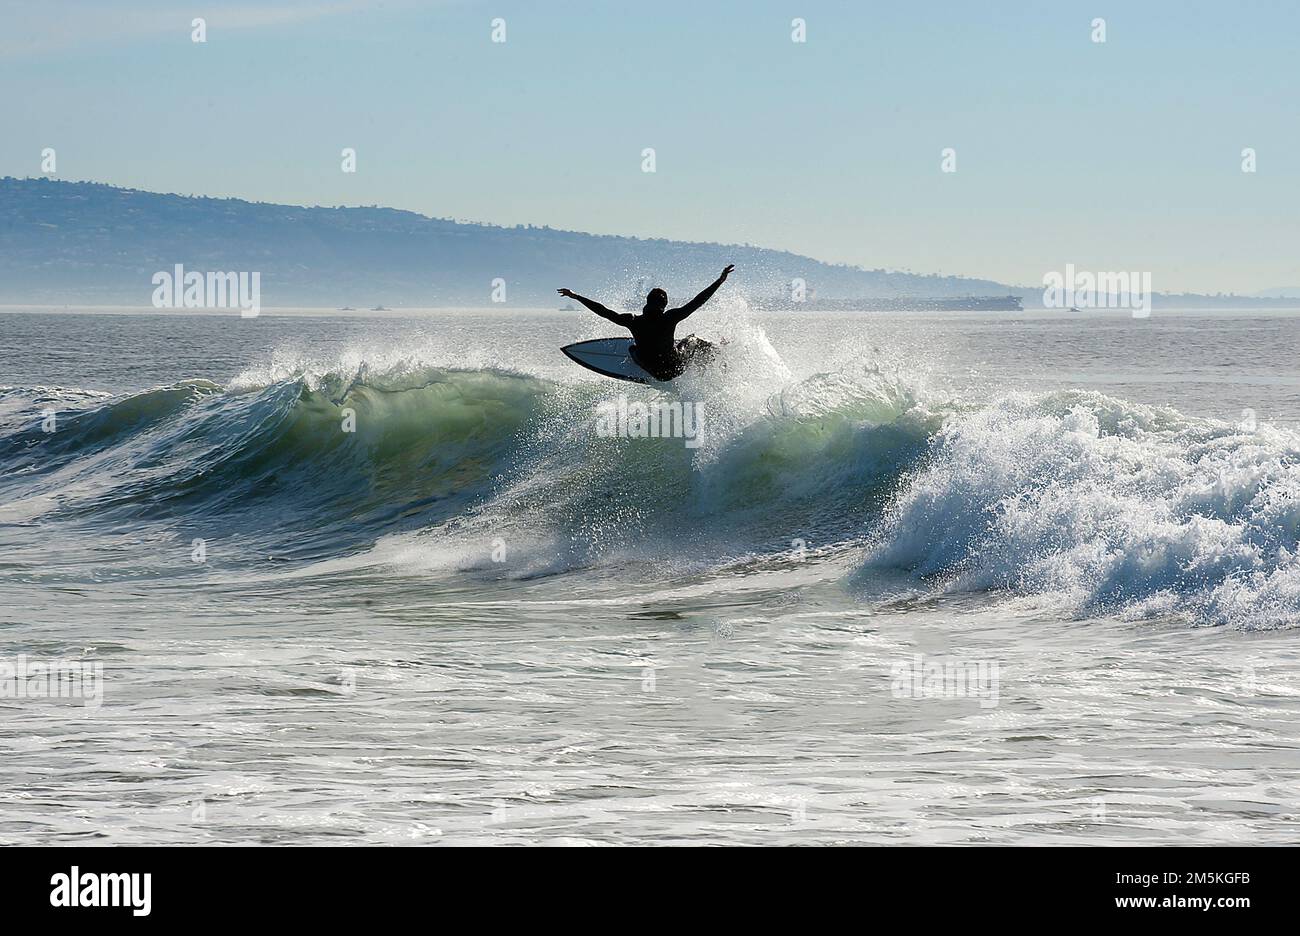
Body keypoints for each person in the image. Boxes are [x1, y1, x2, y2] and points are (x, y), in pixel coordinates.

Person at [559, 265, 734, 380]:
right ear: (664, 305)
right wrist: (719, 281)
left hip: (652, 370)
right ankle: (716, 355)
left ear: (646, 302)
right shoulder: (670, 317)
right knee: (691, 341)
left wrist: (576, 296)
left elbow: (604, 311)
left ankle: (646, 354)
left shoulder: (633, 320)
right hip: (675, 369)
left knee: (633, 348)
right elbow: (698, 301)